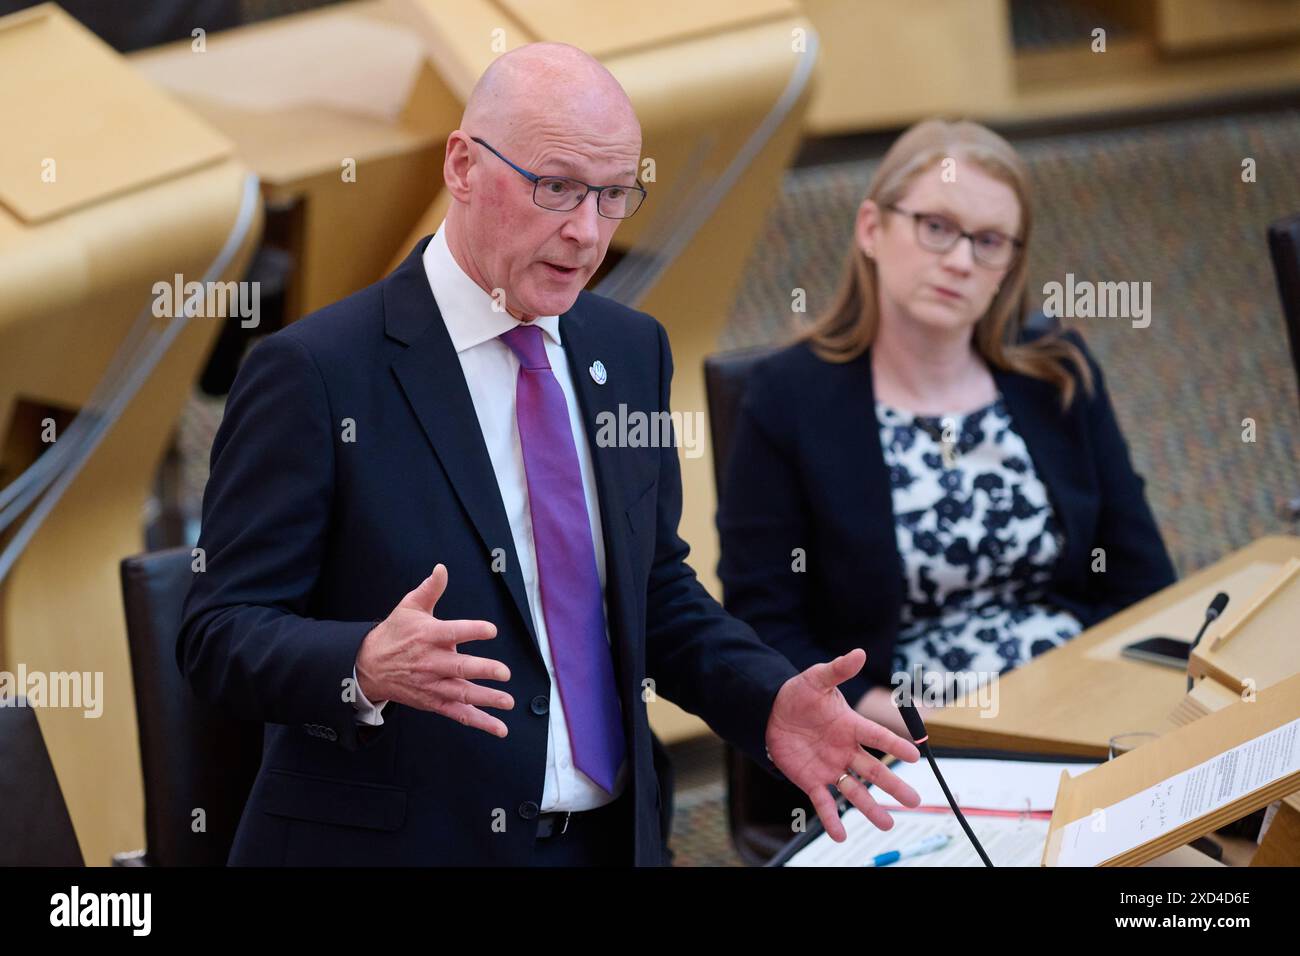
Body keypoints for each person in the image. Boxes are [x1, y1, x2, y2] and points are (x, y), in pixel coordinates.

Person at [177, 42, 921, 867]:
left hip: (611, 841)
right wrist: (360, 662)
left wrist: (766, 698)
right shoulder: (317, 372)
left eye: (613, 195)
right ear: (462, 164)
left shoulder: (629, 349)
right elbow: (218, 634)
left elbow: (650, 591)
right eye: (556, 187)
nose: (586, 231)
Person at [717, 119, 1177, 741]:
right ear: (872, 229)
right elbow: (765, 627)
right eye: (936, 228)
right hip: (909, 736)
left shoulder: (1054, 370)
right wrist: (913, 724)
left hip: (1084, 702)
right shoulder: (789, 398)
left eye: (989, 241)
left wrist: (1100, 701)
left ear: (1008, 266)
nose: (961, 261)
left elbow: (1142, 580)